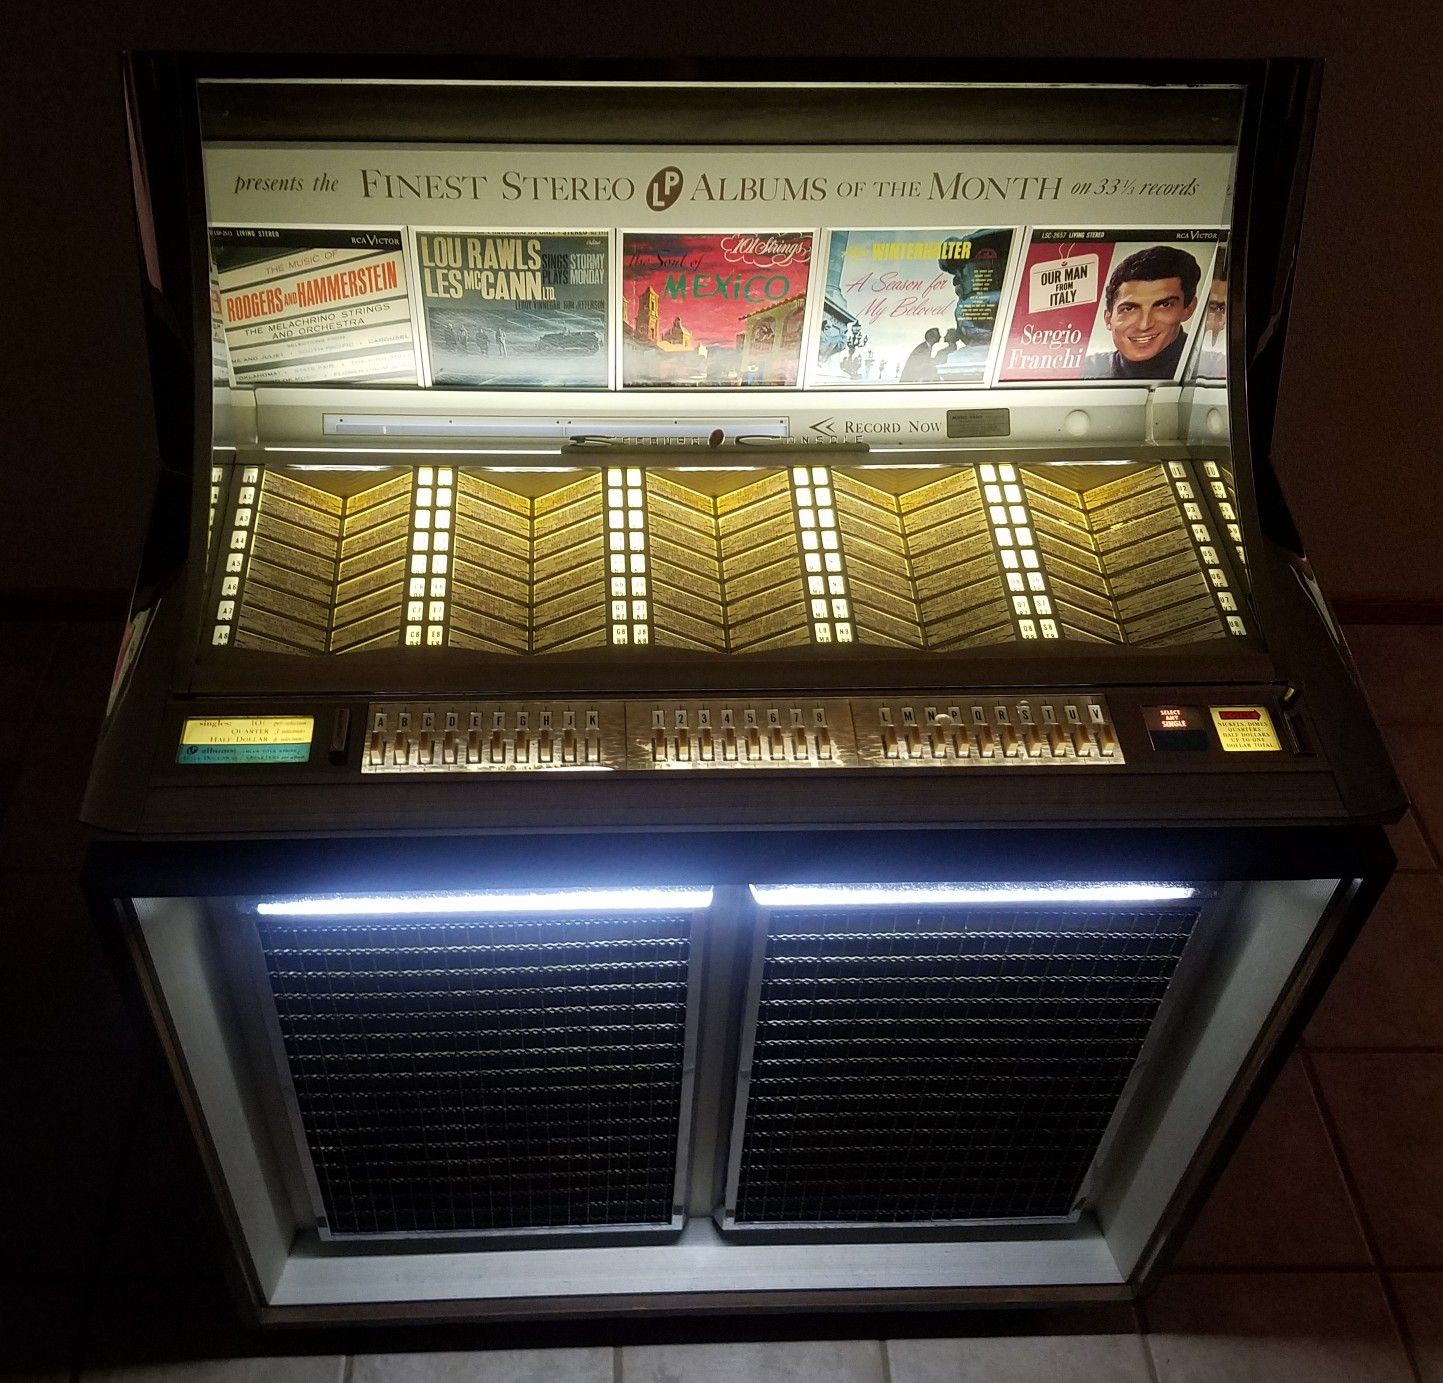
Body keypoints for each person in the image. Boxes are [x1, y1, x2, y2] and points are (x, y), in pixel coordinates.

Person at [1081, 245, 1202, 380]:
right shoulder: (1083, 370)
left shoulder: (1212, 367)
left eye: (1164, 305)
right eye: (1129, 309)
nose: (1144, 325)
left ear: (1188, 309)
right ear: (1108, 318)